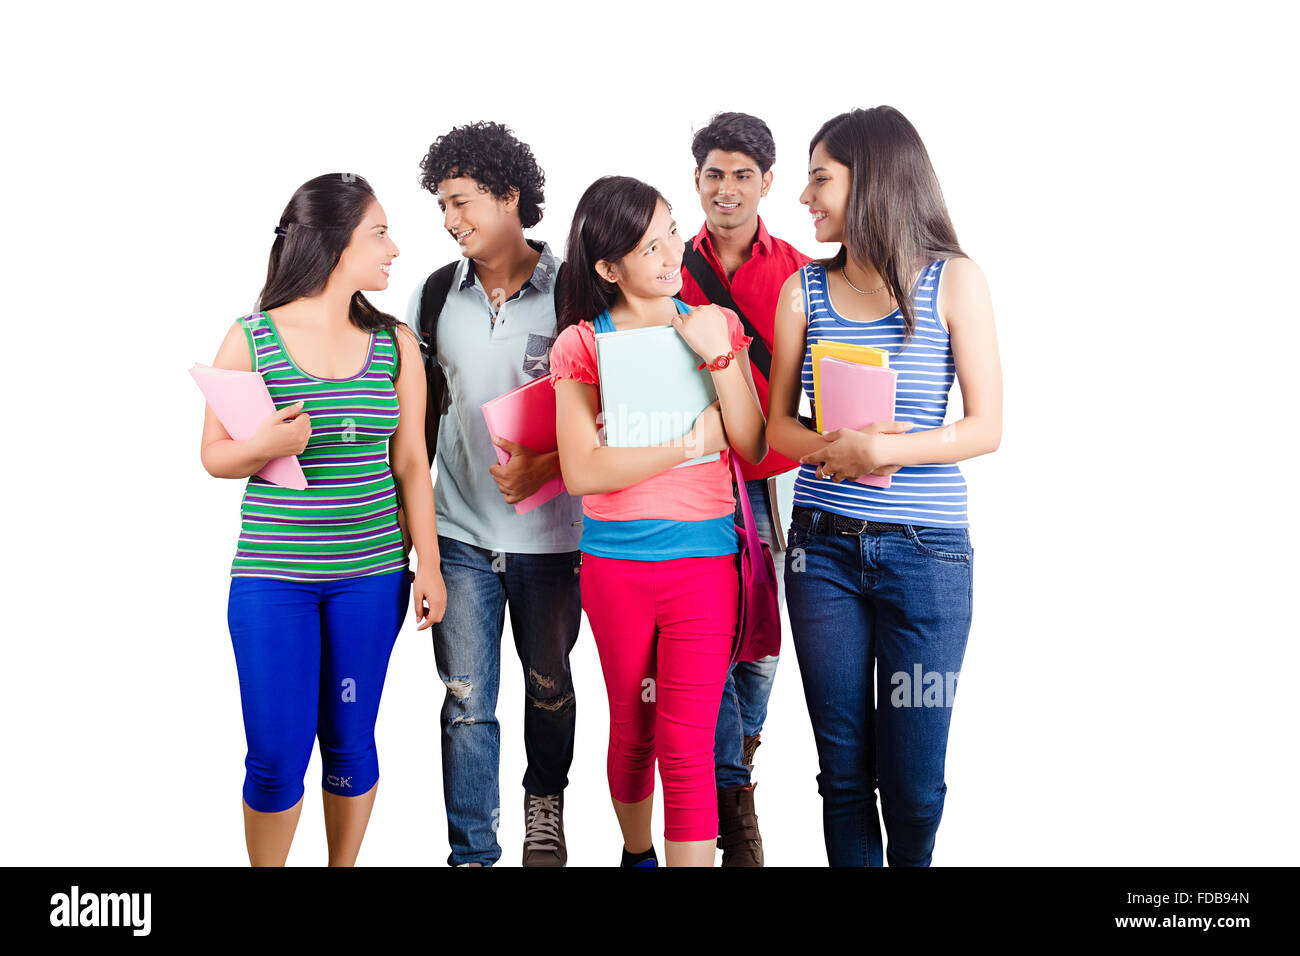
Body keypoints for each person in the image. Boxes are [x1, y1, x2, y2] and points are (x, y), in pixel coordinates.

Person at [766, 107, 1002, 866]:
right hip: (823, 556)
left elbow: (986, 425)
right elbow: (777, 429)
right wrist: (844, 450)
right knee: (843, 774)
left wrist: (884, 447)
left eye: (821, 178)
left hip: (926, 560)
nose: (805, 197)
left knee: (914, 784)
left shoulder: (954, 280)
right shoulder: (803, 289)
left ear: (871, 180)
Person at [199, 173, 446, 866]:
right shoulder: (251, 337)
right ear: (335, 243)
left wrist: (427, 563)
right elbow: (214, 456)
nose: (394, 247)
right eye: (379, 233)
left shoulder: (396, 343)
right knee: (276, 753)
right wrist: (267, 447)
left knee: (348, 738)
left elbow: (410, 469)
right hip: (273, 580)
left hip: (370, 579)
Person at [549, 175, 767, 867]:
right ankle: (636, 853)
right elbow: (582, 471)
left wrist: (720, 354)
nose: (672, 250)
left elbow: (754, 443)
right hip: (614, 567)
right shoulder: (583, 344)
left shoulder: (715, 325)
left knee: (687, 744)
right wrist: (688, 446)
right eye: (650, 246)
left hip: (702, 564)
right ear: (609, 268)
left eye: (671, 229)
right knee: (634, 732)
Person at [406, 122, 584, 867]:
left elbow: (608, 416)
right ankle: (472, 852)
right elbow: (415, 427)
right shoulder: (437, 293)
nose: (450, 221)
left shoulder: (576, 287)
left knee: (549, 687)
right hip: (460, 536)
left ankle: (545, 804)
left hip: (554, 542)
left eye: (461, 202)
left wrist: (547, 467)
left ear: (511, 196)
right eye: (442, 207)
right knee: (467, 702)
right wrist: (421, 553)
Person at [676, 111, 811, 866]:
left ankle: (740, 759)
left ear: (767, 183)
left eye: (742, 176)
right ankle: (733, 797)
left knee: (762, 641)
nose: (726, 190)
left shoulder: (796, 268)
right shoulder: (663, 259)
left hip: (775, 479)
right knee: (711, 634)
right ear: (696, 179)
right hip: (693, 472)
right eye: (713, 175)